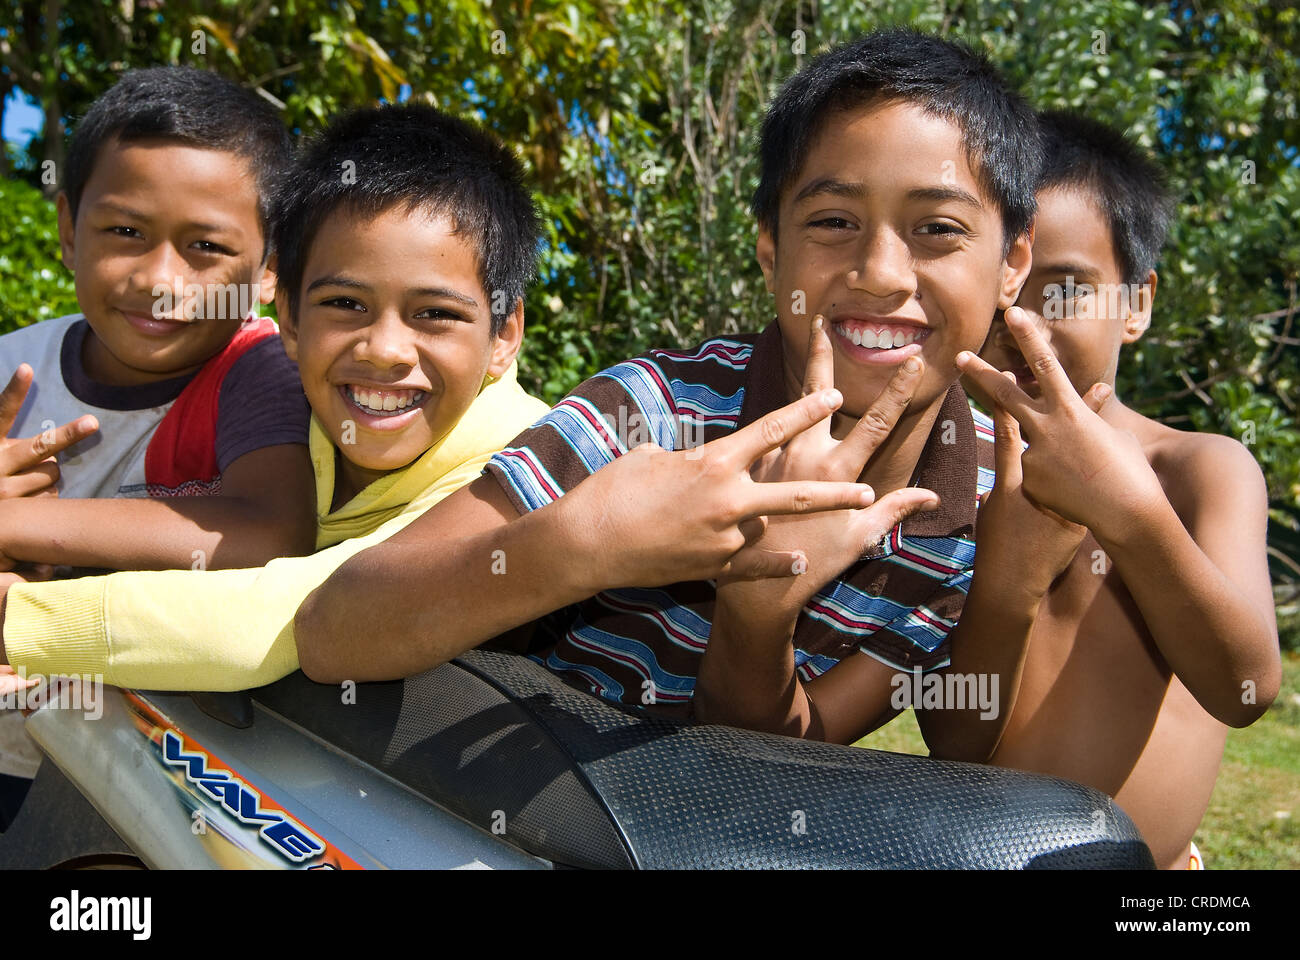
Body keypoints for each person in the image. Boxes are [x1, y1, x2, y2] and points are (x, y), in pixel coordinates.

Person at [296, 29, 1046, 746]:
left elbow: (778, 756)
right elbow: (338, 628)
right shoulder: (653, 416)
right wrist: (591, 543)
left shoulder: (988, 513)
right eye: (833, 221)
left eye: (938, 229)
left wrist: (757, 611)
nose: (880, 273)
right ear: (769, 252)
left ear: (1012, 262)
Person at [0, 104, 548, 699]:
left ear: (504, 334)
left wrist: (19, 617)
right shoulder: (306, 420)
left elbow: (282, 615)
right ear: (287, 316)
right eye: (344, 303)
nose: (385, 349)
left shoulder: (523, 466)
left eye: (436, 314)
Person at [946, 111, 1280, 869]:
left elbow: (1248, 688)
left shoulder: (1199, 470)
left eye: (1064, 292)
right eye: (1005, 289)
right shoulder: (952, 476)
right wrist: (1009, 584)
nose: (1026, 322)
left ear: (1137, 304)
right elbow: (957, 737)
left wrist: (1129, 515)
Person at [0, 67, 314, 826]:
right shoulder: (16, 361)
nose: (161, 280)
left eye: (205, 246)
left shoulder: (258, 372)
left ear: (268, 270)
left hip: (110, 779)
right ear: (70, 228)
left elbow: (272, 530)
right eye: (125, 232)